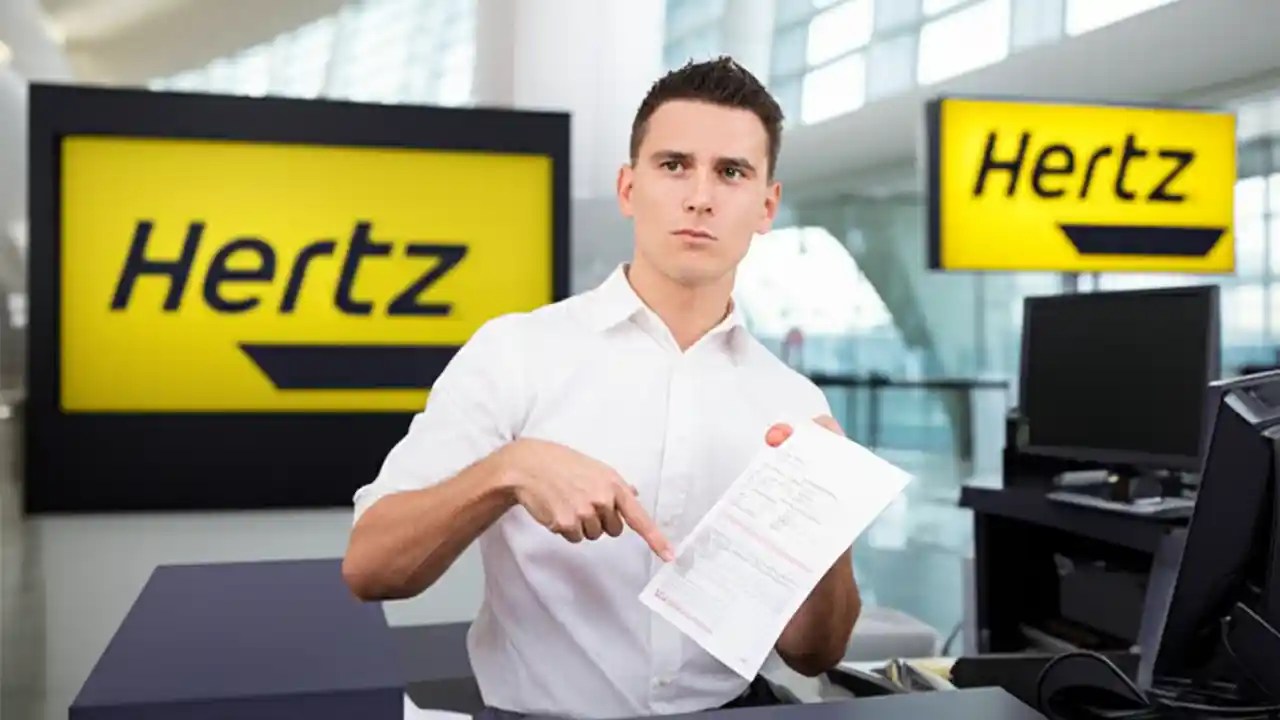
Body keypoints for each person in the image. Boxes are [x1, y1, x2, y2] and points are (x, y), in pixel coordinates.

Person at [342, 56, 861, 719]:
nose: (700, 196)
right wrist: (508, 470)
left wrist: (828, 521)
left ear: (766, 205)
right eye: (674, 165)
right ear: (627, 188)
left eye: (731, 172)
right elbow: (371, 566)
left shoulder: (795, 403)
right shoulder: (515, 353)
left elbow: (816, 654)